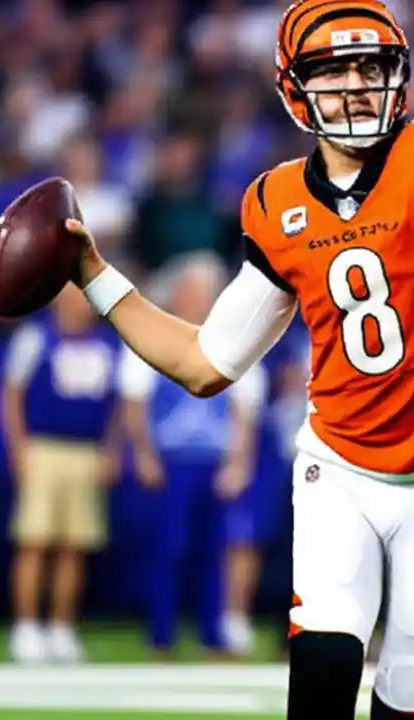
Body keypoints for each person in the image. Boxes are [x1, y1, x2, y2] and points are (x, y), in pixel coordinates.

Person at [61, 1, 414, 716]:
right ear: (295, 87)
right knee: (324, 667)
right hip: (342, 470)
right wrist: (94, 274)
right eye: (335, 69)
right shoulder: (276, 201)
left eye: (371, 66)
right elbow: (206, 364)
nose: (358, 84)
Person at [119, 254, 266, 659]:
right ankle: (161, 633)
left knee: (213, 552)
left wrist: (239, 463)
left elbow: (244, 408)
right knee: (168, 549)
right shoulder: (157, 333)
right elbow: (134, 402)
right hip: (172, 461)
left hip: (213, 462)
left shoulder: (230, 339)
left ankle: (212, 633)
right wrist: (144, 455)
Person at [0, 286, 121, 663]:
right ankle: (26, 626)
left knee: (75, 546)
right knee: (34, 541)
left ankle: (62, 626)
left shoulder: (107, 345)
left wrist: (112, 450)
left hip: (86, 451)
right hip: (44, 448)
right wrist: (19, 448)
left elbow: (118, 402)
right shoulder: (36, 337)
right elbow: (12, 394)